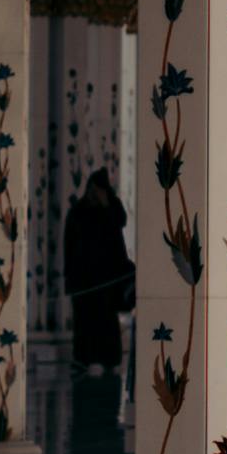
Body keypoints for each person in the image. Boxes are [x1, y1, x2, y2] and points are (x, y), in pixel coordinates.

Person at [64, 162, 131, 393]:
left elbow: (119, 224)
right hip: (85, 281)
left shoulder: (112, 209)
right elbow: (70, 247)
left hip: (106, 281)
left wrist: (106, 205)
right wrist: (70, 279)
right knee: (85, 322)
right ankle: (85, 359)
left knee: (106, 322)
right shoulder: (79, 212)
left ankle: (109, 360)